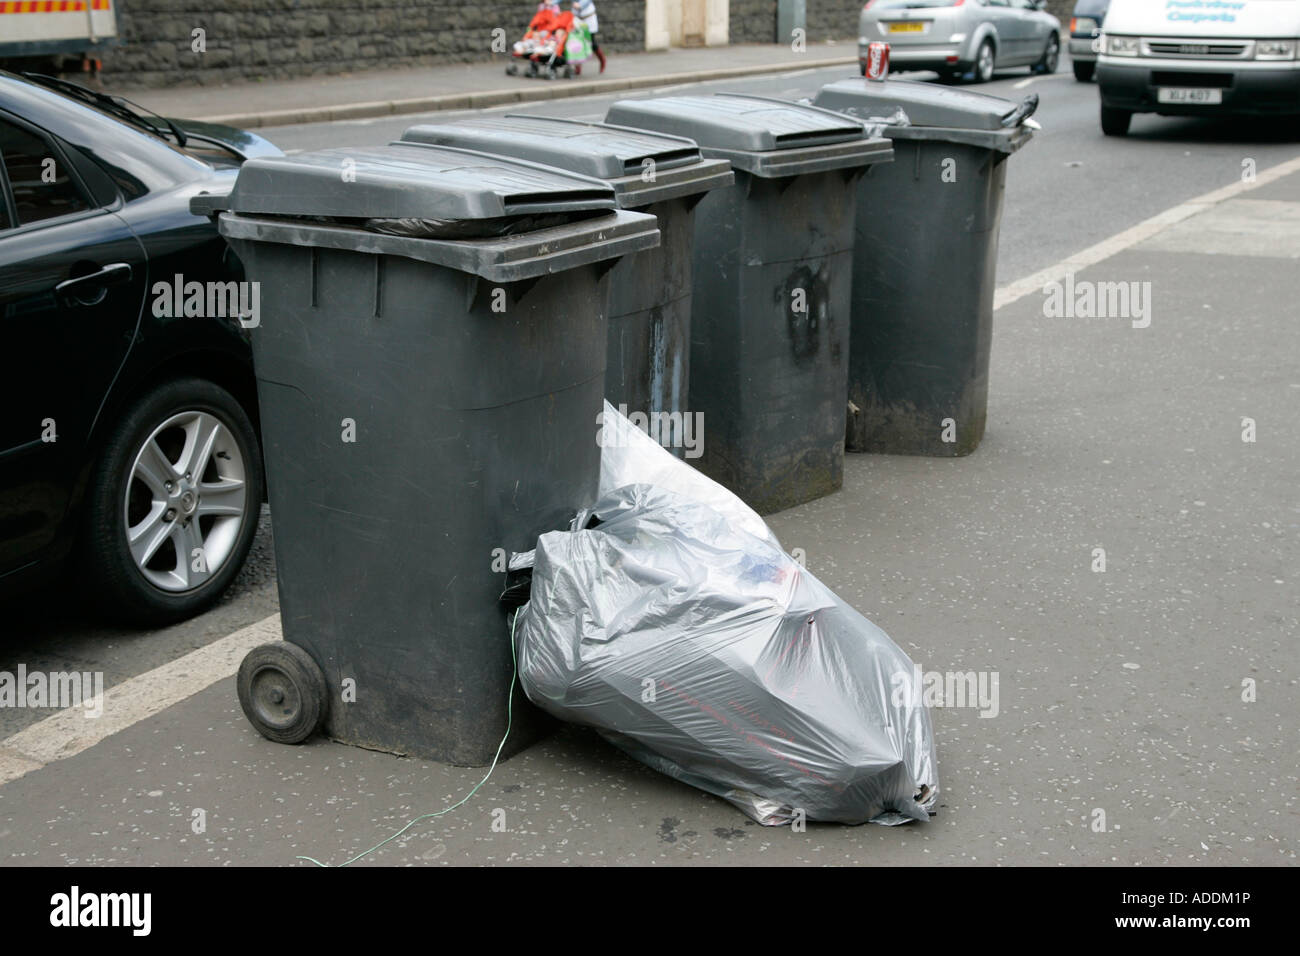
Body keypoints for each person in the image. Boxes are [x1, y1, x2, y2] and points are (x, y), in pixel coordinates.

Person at [572, 0, 605, 73]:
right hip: (577, 19)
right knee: (577, 43)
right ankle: (578, 67)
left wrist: (580, 5)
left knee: (592, 42)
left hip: (588, 19)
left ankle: (602, 60)